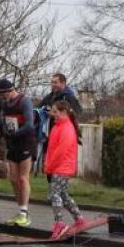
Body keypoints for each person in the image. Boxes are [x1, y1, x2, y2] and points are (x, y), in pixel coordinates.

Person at [0, 79, 36, 227]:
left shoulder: (24, 101)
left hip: (26, 142)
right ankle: (20, 211)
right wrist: (6, 131)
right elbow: (3, 120)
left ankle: (25, 213)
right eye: (0, 95)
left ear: (10, 90)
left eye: (3, 94)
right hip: (13, 144)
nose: (2, 97)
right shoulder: (5, 104)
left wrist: (15, 133)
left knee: (23, 179)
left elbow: (29, 124)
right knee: (13, 179)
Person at [44, 101, 85, 239]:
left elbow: (60, 152)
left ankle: (59, 223)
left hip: (61, 167)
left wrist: (49, 167)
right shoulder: (58, 126)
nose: (52, 114)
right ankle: (79, 218)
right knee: (63, 195)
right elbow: (52, 149)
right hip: (59, 167)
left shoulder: (66, 128)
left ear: (64, 112)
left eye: (55, 112)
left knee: (54, 194)